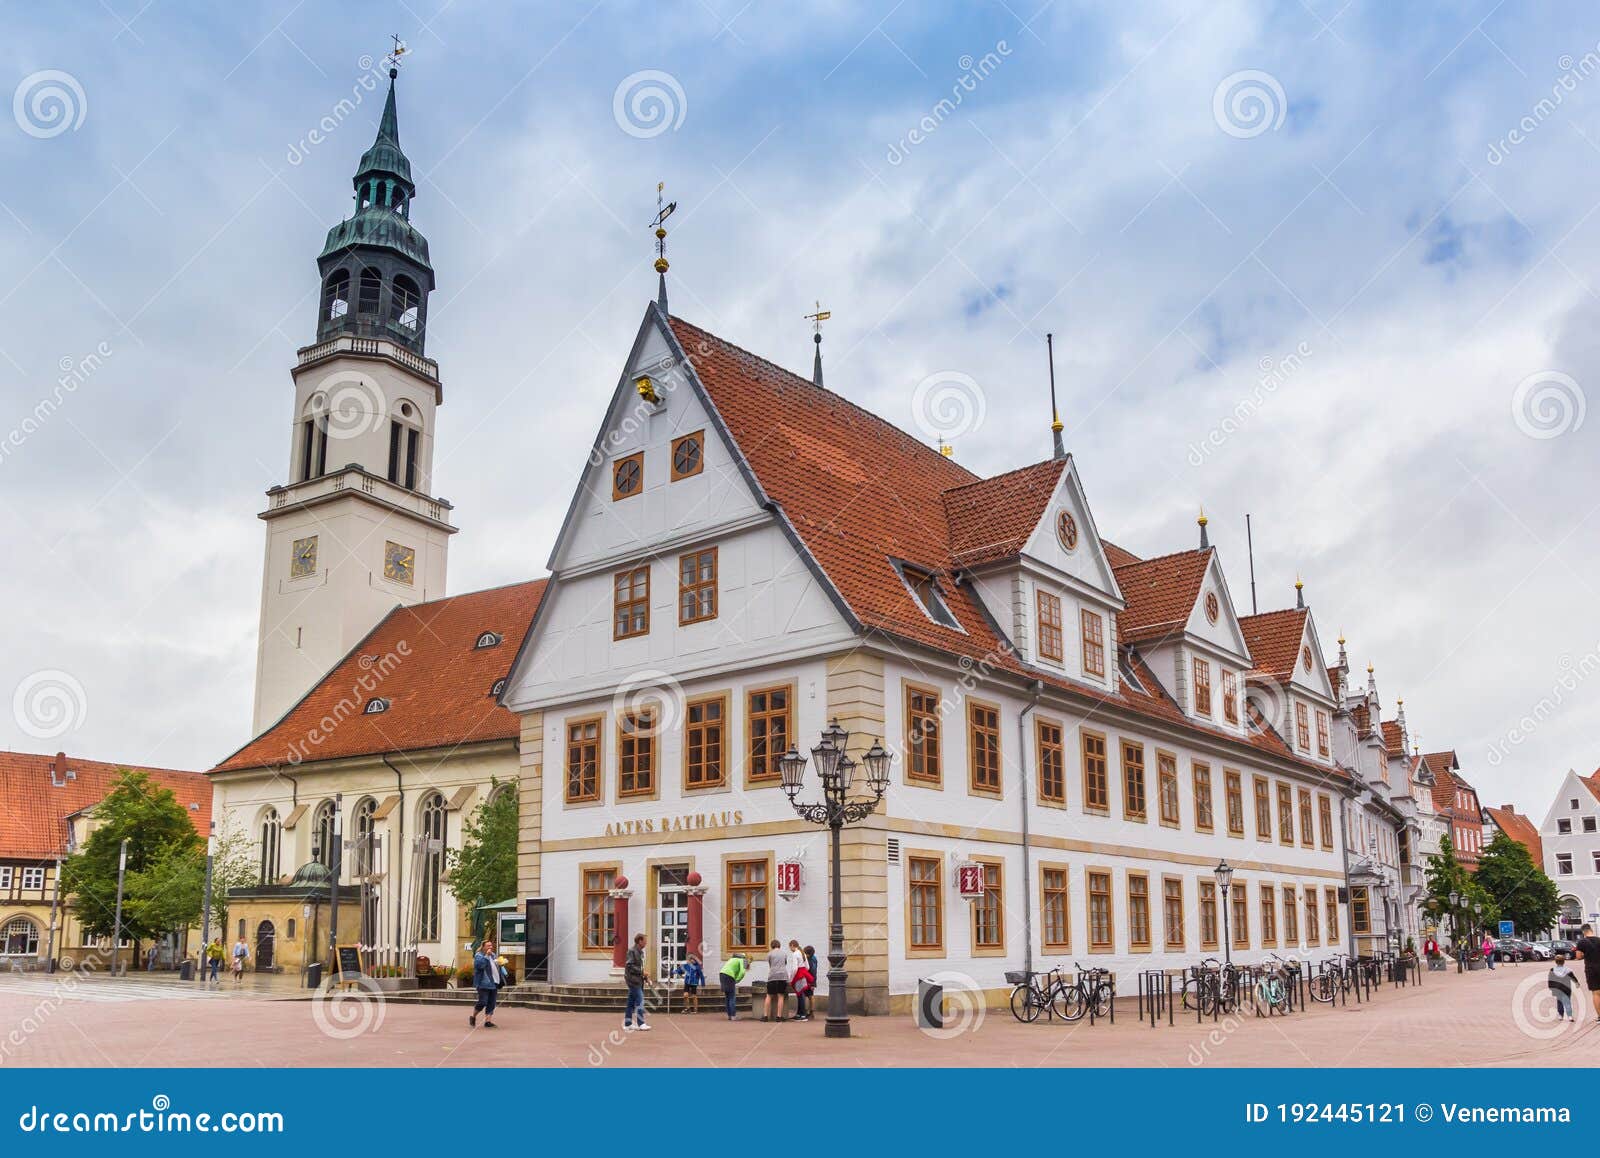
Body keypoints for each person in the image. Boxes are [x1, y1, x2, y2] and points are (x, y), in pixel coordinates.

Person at [1568, 923, 1600, 1022]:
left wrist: (1585, 955)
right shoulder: (1599, 940)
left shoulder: (1582, 942)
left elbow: (1578, 957)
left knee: (1596, 993)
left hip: (1591, 969)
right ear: (1591, 930)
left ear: (1583, 932)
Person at [469, 938, 503, 1028]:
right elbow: (480, 966)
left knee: (492, 1002)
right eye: (488, 945)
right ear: (483, 947)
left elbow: (496, 965)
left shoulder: (493, 955)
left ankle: (488, 1022)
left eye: (491, 945)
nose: (491, 947)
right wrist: (487, 956)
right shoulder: (479, 955)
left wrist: (501, 963)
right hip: (483, 983)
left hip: (494, 982)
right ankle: (473, 1016)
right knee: (483, 1002)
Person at [623, 933, 651, 1031]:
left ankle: (627, 1024)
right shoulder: (632, 951)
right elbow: (629, 966)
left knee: (630, 1003)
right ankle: (641, 1023)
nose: (646, 943)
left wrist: (645, 977)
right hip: (633, 980)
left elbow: (640, 967)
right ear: (640, 941)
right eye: (645, 941)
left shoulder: (641, 952)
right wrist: (642, 972)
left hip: (638, 980)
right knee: (640, 1001)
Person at [764, 938, 791, 1022]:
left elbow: (770, 964)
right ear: (779, 945)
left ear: (772, 946)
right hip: (782, 976)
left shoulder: (769, 954)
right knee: (780, 996)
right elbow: (785, 963)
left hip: (772, 976)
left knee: (769, 996)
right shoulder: (784, 953)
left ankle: (765, 1016)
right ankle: (779, 1017)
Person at [719, 952, 749, 1021]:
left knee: (727, 996)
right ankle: (733, 1016)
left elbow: (734, 970)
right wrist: (737, 980)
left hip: (722, 974)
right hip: (729, 975)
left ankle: (729, 1015)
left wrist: (734, 979)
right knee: (732, 996)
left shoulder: (733, 959)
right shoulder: (743, 960)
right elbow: (742, 972)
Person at [1549, 953, 1576, 1022]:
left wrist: (1551, 987)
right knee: (1567, 1002)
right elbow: (1572, 977)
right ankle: (1570, 1016)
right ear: (1564, 961)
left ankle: (1560, 1015)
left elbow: (1550, 979)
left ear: (1555, 962)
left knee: (1559, 1001)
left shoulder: (1552, 970)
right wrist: (1577, 983)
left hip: (1558, 989)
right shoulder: (1568, 970)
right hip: (1566, 988)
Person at [791, 952, 815, 1022]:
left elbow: (794, 968)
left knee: (800, 995)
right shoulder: (803, 953)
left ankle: (803, 1015)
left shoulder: (795, 954)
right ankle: (799, 1014)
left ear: (792, 945)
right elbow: (807, 967)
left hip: (799, 976)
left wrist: (791, 978)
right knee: (800, 995)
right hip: (803, 975)